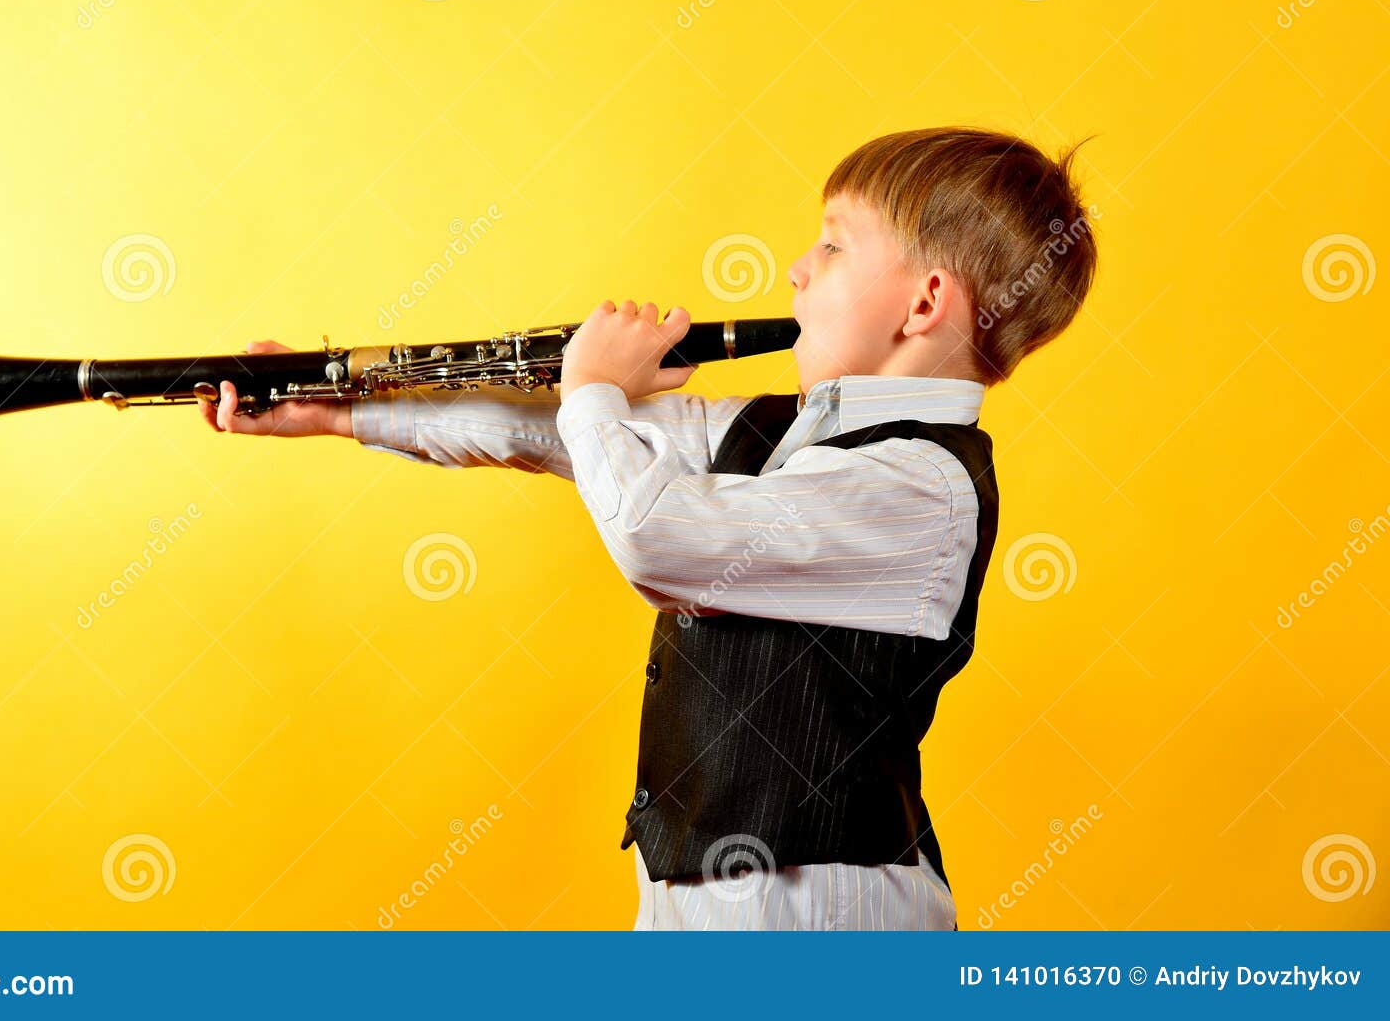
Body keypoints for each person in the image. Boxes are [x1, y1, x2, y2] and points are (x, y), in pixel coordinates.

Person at [200, 126, 1099, 930]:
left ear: (924, 302)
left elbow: (656, 539)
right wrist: (342, 409)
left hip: (820, 918)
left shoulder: (919, 485)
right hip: (701, 903)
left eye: (832, 245)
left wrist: (593, 386)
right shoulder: (774, 428)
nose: (797, 268)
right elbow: (555, 437)